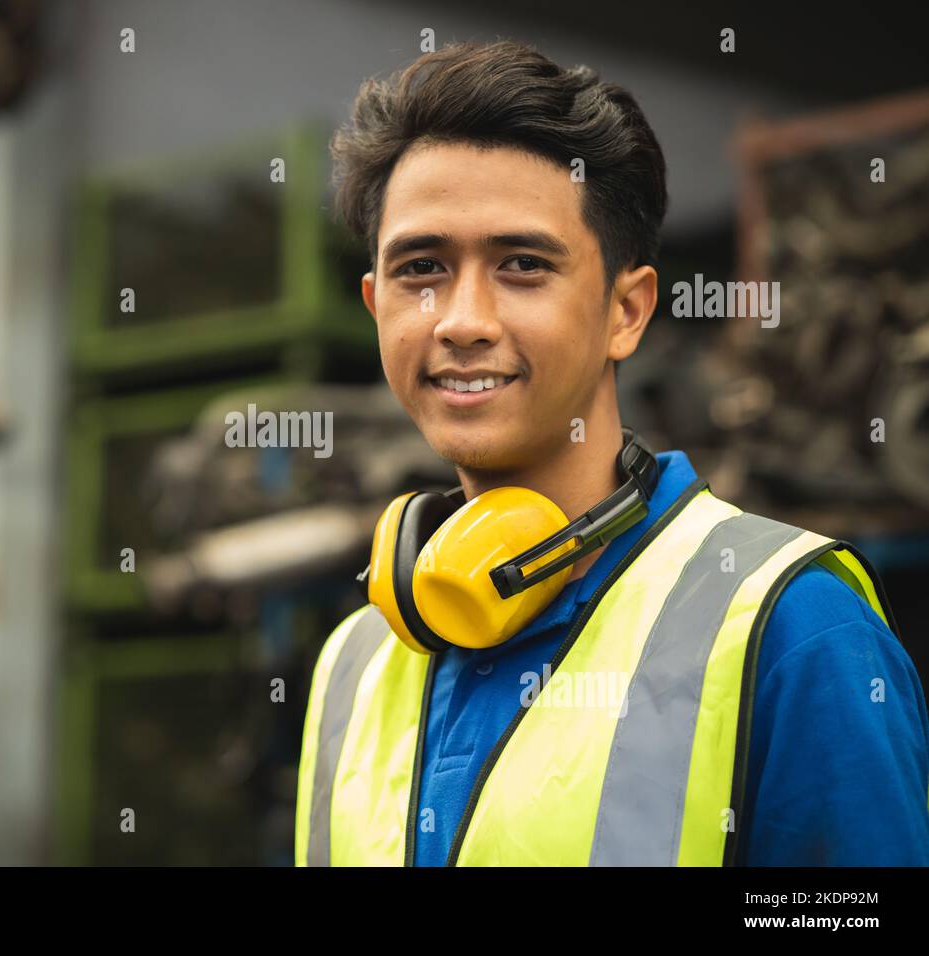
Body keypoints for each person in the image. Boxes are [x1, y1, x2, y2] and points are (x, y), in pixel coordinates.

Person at [294, 39, 929, 866]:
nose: (461, 319)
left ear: (627, 311)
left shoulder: (793, 626)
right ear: (377, 306)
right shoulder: (353, 663)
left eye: (522, 265)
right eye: (422, 269)